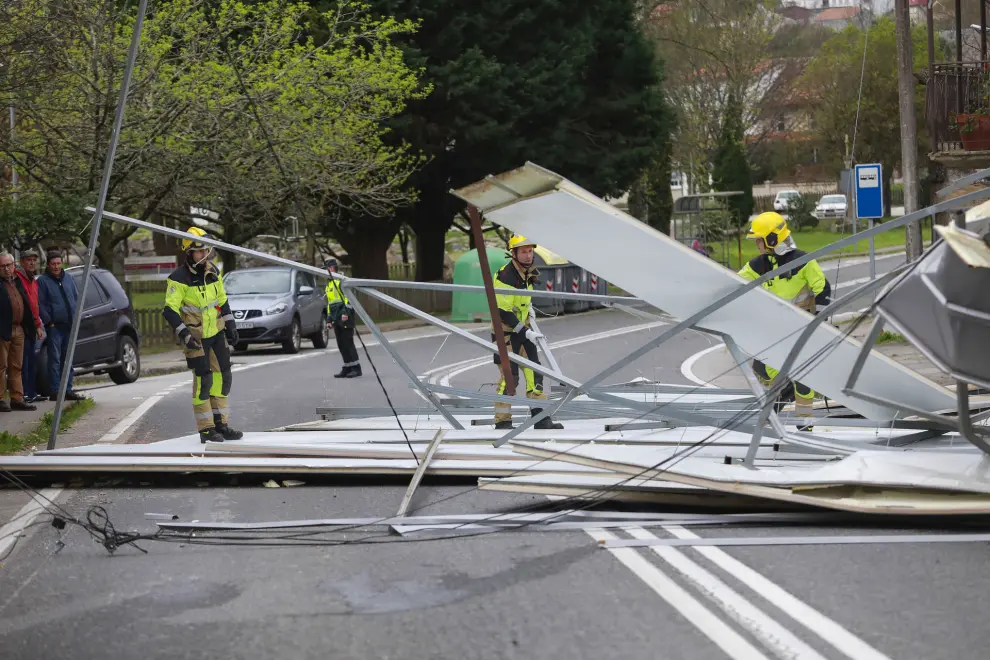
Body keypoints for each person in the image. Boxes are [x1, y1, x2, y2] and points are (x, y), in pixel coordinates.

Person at [737, 212, 832, 431]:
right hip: (776, 330)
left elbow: (823, 289)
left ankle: (805, 423)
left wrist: (819, 322)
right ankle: (785, 390)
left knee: (803, 378)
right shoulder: (759, 265)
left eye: (759, 240)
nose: (757, 245)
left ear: (772, 239)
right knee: (762, 367)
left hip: (803, 329)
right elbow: (736, 282)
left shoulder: (803, 261)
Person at [162, 227, 243, 443]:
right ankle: (206, 429)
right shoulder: (178, 278)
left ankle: (221, 425)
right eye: (199, 251)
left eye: (206, 250)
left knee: (223, 378)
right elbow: (169, 310)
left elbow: (222, 301)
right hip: (195, 338)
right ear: (189, 253)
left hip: (216, 335)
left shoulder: (213, 272)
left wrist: (231, 325)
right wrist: (185, 335)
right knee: (204, 381)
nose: (204, 254)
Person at [491, 235, 563, 431]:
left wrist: (528, 312)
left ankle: (540, 419)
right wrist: (523, 329)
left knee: (535, 374)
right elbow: (502, 311)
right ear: (513, 253)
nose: (528, 255)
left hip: (524, 331)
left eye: (530, 251)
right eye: (523, 251)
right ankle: (503, 421)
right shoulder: (505, 276)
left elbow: (520, 299)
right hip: (505, 333)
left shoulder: (527, 272)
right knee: (510, 378)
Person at [37, 250, 86, 401]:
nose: (56, 266)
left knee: (68, 359)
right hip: (54, 327)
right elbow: (40, 303)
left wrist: (77, 316)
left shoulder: (68, 279)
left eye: (58, 263)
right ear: (48, 265)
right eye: (53, 264)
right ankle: (56, 390)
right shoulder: (43, 281)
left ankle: (68, 389)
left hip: (69, 325)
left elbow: (76, 298)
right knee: (55, 359)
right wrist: (49, 321)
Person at [0, 251, 38, 411]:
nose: (7, 269)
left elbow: (26, 302)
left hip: (19, 328)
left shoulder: (17, 281)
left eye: (9, 265)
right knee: (1, 366)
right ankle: (1, 398)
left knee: (17, 366)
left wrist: (33, 325)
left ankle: (17, 398)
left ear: (14, 265)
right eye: (2, 266)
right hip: (3, 329)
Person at [324, 258, 361, 378]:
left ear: (332, 268)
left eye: (326, 269)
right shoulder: (329, 284)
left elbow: (348, 298)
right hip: (335, 317)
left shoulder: (342, 281)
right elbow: (329, 303)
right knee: (341, 343)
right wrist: (329, 319)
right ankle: (347, 366)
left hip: (345, 316)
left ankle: (356, 368)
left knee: (348, 342)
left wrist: (346, 312)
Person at [15, 249, 44, 403]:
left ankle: (31, 392)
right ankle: (25, 393)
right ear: (22, 262)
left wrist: (38, 324)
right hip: (23, 326)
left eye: (34, 260)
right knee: (23, 362)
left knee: (31, 360)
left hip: (32, 326)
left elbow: (35, 305)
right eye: (28, 260)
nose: (32, 263)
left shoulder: (33, 280)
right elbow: (26, 305)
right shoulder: (18, 279)